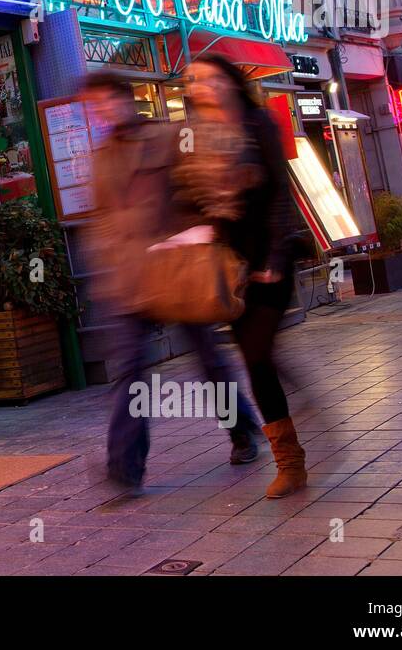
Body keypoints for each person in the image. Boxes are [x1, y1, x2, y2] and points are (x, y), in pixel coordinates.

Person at [81, 72, 260, 494]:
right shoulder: (102, 155)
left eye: (105, 102)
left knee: (209, 360)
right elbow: (102, 214)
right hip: (128, 277)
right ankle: (124, 471)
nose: (101, 112)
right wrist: (106, 258)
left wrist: (200, 231)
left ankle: (243, 431)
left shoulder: (170, 136)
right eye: (94, 106)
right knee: (129, 373)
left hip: (178, 269)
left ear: (125, 99)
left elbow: (206, 182)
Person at [184, 55, 306, 498]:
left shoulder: (258, 123)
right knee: (256, 358)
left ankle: (290, 464)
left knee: (256, 355)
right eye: (194, 80)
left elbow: (278, 189)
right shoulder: (194, 136)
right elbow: (193, 200)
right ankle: (288, 448)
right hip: (228, 265)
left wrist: (275, 253)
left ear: (231, 81)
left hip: (270, 256)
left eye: (212, 78)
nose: (203, 86)